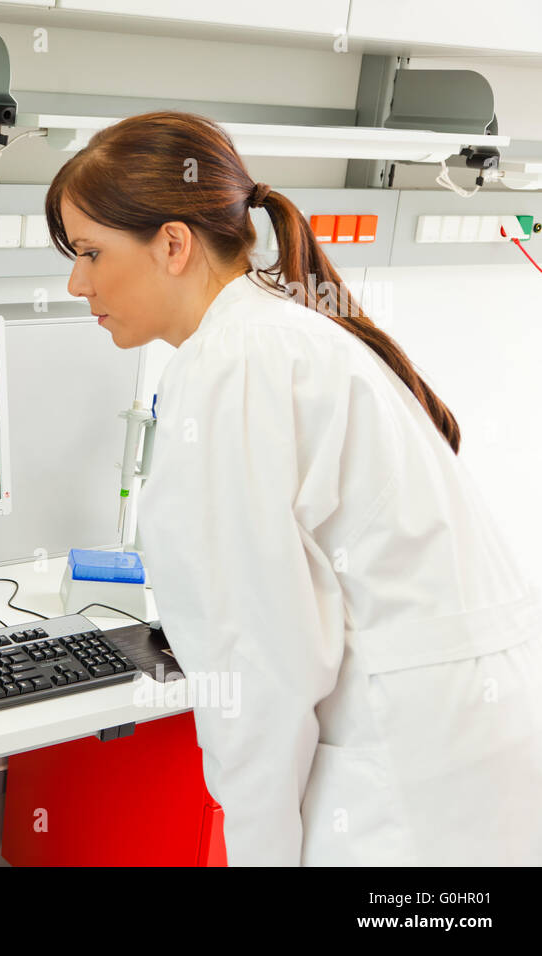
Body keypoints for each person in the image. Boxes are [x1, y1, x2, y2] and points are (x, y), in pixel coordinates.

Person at [47, 110, 542, 865]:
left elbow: (257, 665)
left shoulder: (234, 367)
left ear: (172, 245)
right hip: (474, 751)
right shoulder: (283, 334)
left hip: (408, 783)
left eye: (90, 251)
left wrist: (258, 850)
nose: (77, 281)